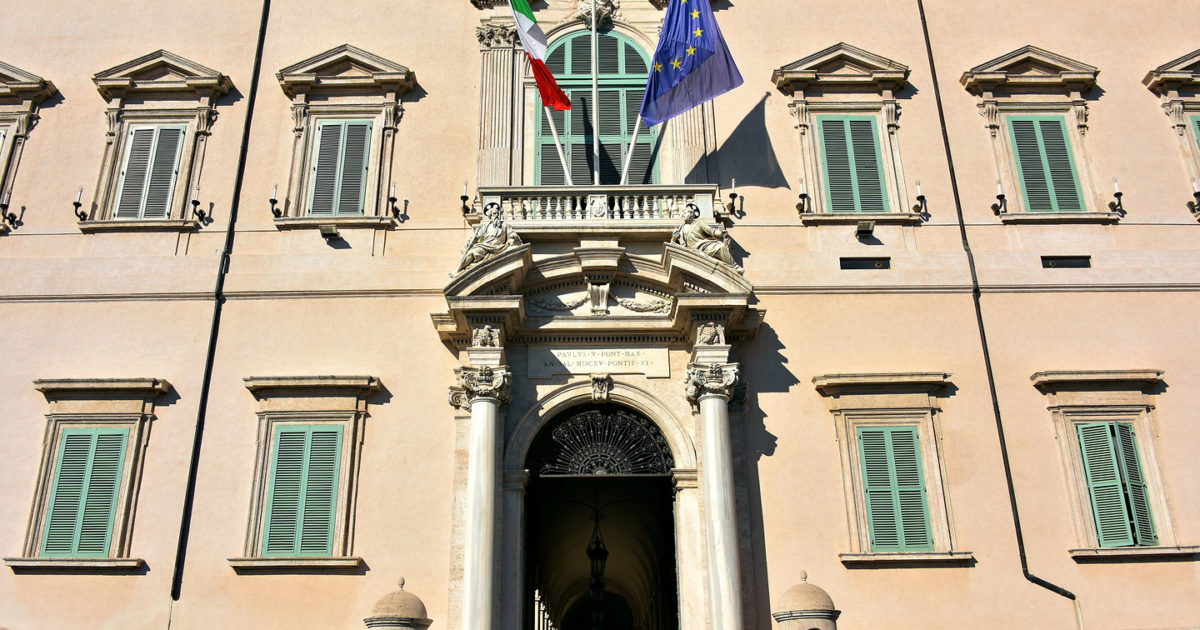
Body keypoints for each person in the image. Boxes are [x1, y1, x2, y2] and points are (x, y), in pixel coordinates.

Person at [670, 204, 743, 273]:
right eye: (683, 213)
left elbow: (711, 230)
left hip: (701, 245)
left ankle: (735, 266)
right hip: (690, 249)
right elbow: (673, 245)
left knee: (721, 247)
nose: (683, 215)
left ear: (691, 214)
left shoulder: (698, 223)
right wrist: (674, 238)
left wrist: (720, 232)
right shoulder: (681, 228)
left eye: (685, 213)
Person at [454, 202, 522, 275]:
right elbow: (479, 237)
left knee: (474, 252)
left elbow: (511, 233)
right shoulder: (485, 227)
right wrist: (475, 239)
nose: (496, 215)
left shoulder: (504, 225)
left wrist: (514, 236)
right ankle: (458, 270)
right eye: (493, 214)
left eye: (496, 213)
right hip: (485, 246)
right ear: (490, 216)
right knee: (472, 253)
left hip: (498, 246)